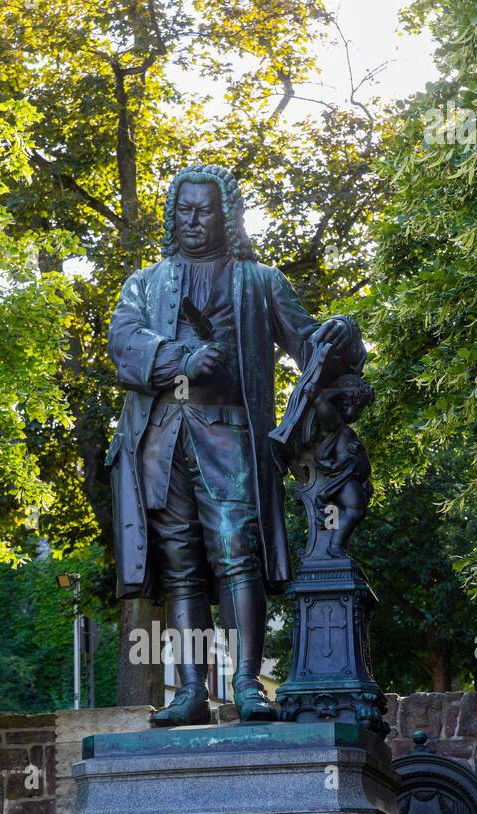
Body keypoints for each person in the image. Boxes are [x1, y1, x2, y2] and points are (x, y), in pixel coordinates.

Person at [106, 161, 351, 725]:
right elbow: (124, 342)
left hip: (231, 436)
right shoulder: (144, 283)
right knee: (180, 566)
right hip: (161, 440)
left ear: (227, 216)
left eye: (205, 211)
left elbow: (309, 342)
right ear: (172, 216)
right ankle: (190, 692)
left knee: (237, 555)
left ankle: (246, 684)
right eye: (183, 211)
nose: (193, 221)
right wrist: (182, 359)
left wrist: (341, 334)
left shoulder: (261, 282)